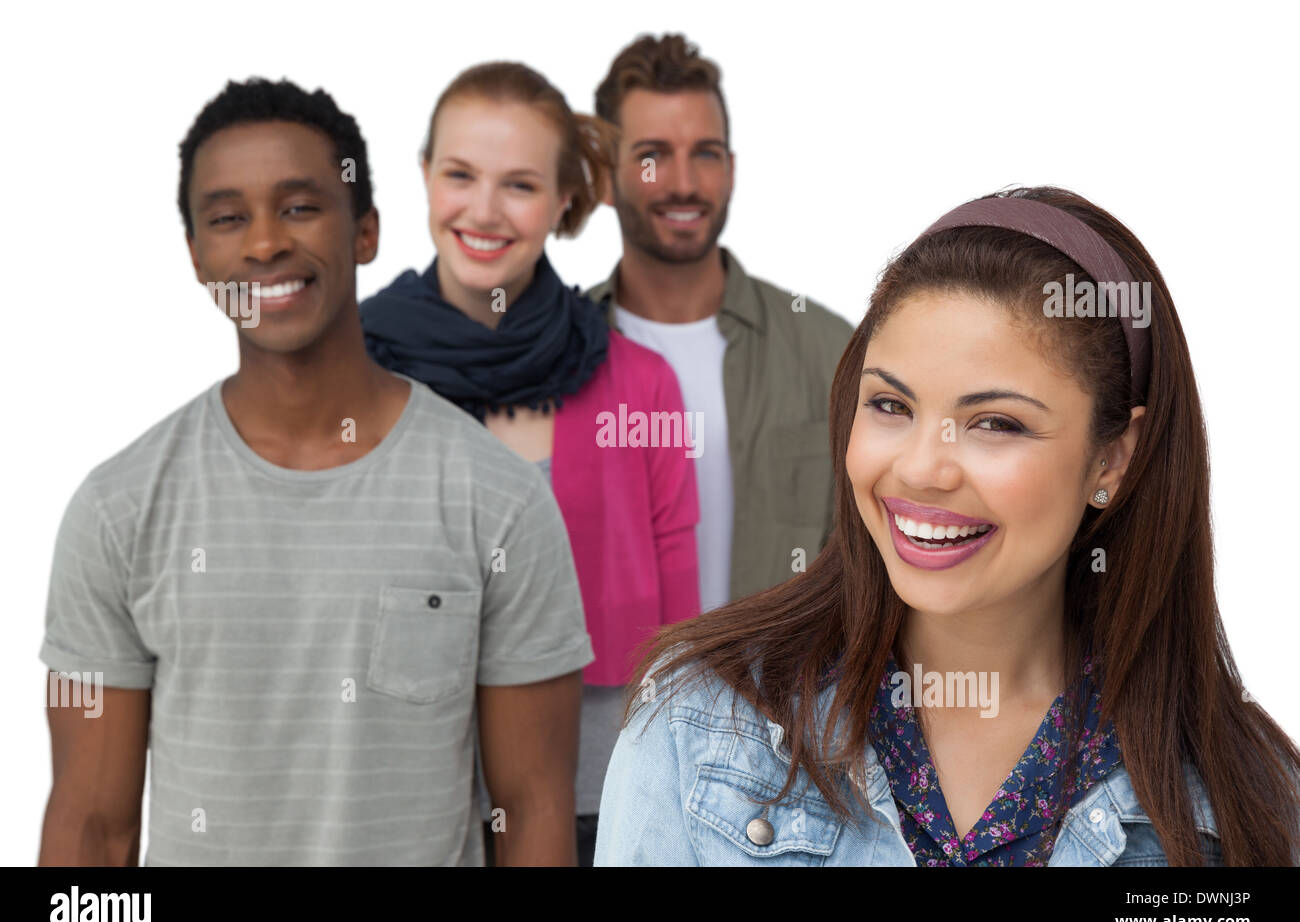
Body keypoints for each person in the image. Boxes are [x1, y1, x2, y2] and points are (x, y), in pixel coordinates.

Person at [595, 186, 1300, 866]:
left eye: (996, 423)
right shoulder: (696, 725)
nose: (923, 469)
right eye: (891, 407)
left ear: (1112, 459)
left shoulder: (1245, 801)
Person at [38, 78, 593, 866]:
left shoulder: (498, 503)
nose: (264, 244)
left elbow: (533, 810)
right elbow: (93, 830)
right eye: (229, 218)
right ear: (198, 256)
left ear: (364, 230)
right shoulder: (118, 510)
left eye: (300, 206)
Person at [359, 62, 700, 867]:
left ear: (561, 202)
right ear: (424, 179)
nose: (483, 210)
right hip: (405, 778)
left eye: (518, 185)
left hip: (594, 781)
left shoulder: (640, 380)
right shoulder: (355, 372)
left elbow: (683, 616)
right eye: (460, 175)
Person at [586, 33, 856, 612]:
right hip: (599, 701)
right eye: (653, 156)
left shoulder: (831, 352)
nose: (684, 183)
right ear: (605, 178)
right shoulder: (551, 354)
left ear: (731, 169)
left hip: (778, 700)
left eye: (705, 153)